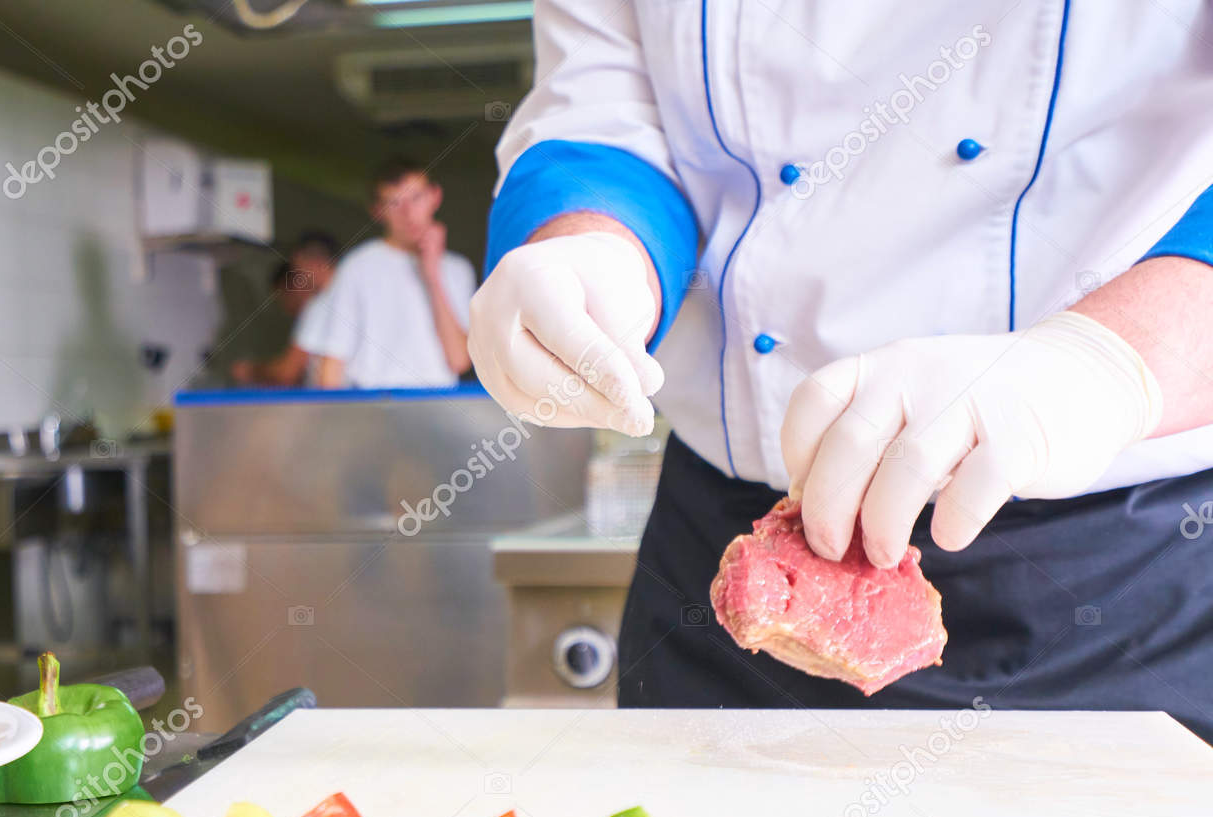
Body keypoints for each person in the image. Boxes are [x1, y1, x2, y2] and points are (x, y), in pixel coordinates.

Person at [468, 2, 1213, 738]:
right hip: (730, 554)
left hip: (1112, 571)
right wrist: (596, 246)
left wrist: (1109, 363)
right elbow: (608, 107)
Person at [310, 159, 475, 389]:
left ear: (435, 197)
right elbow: (333, 361)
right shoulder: (357, 267)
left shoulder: (458, 269)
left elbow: (459, 361)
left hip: (439, 411)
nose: (408, 213)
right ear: (377, 211)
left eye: (416, 198)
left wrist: (432, 275)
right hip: (372, 410)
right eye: (394, 203)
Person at [231, 232, 338, 387]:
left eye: (298, 271)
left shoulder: (320, 306)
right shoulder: (352, 296)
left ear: (313, 263)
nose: (298, 282)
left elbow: (287, 372)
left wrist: (250, 371)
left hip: (335, 404)